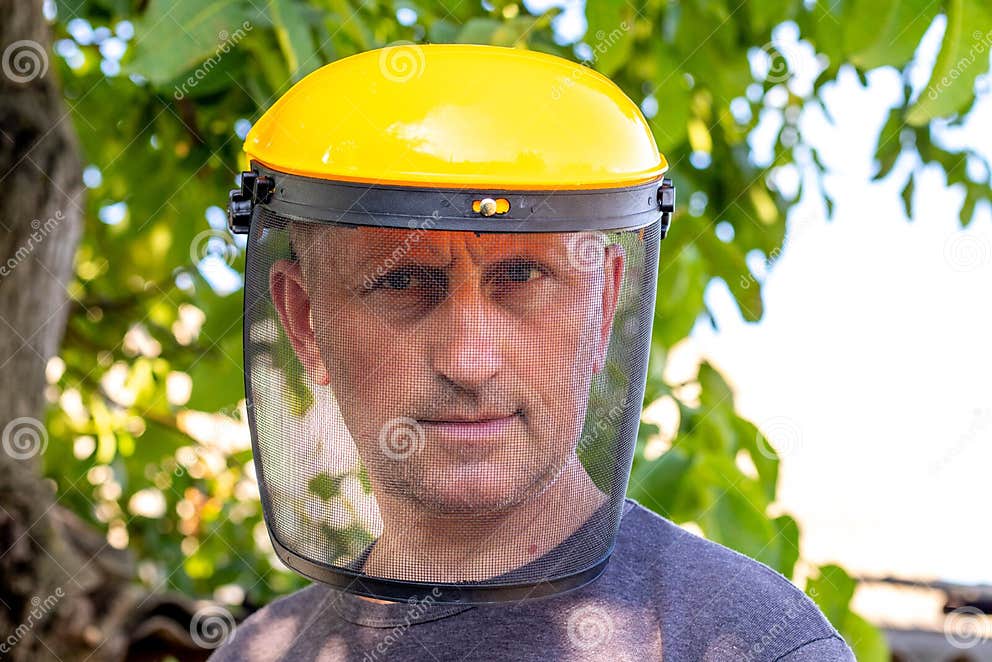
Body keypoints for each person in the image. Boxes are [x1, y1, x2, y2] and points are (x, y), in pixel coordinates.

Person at [211, 43, 856, 660]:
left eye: (522, 276)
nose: (469, 362)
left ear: (602, 306)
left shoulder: (744, 641)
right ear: (304, 320)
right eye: (403, 280)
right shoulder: (260, 651)